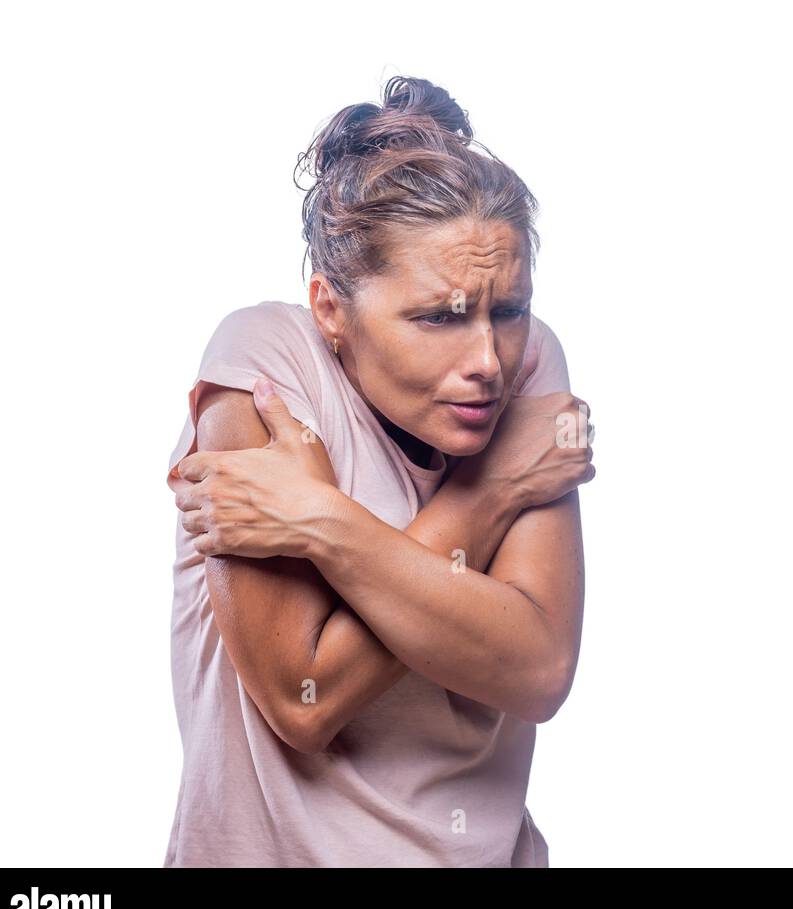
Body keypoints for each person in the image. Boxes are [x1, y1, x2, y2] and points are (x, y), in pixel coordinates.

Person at [161, 76, 594, 866]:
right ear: (332, 310)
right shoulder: (263, 364)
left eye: (508, 308)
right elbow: (304, 695)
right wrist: (492, 491)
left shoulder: (532, 364)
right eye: (439, 316)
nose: (487, 361)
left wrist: (320, 520)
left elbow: (538, 667)